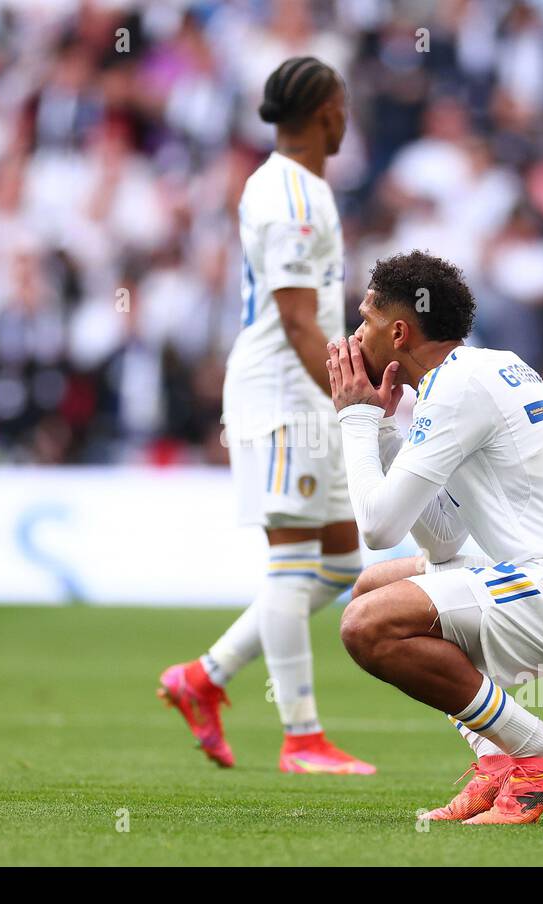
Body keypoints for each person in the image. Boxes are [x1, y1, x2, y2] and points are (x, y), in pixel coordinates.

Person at [325, 250, 543, 822]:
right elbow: (443, 541)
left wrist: (356, 418)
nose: (353, 334)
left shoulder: (459, 387)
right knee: (373, 592)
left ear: (398, 331)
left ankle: (542, 753)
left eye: (363, 319)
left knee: (367, 627)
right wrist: (389, 430)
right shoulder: (482, 370)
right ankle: (498, 762)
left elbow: (378, 526)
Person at [158, 57, 374, 774]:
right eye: (341, 105)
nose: (347, 119)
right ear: (321, 110)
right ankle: (301, 738)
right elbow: (293, 317)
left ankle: (204, 677)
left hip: (301, 387)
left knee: (341, 561)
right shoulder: (290, 194)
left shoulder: (298, 186)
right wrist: (348, 397)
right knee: (291, 561)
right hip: (285, 391)